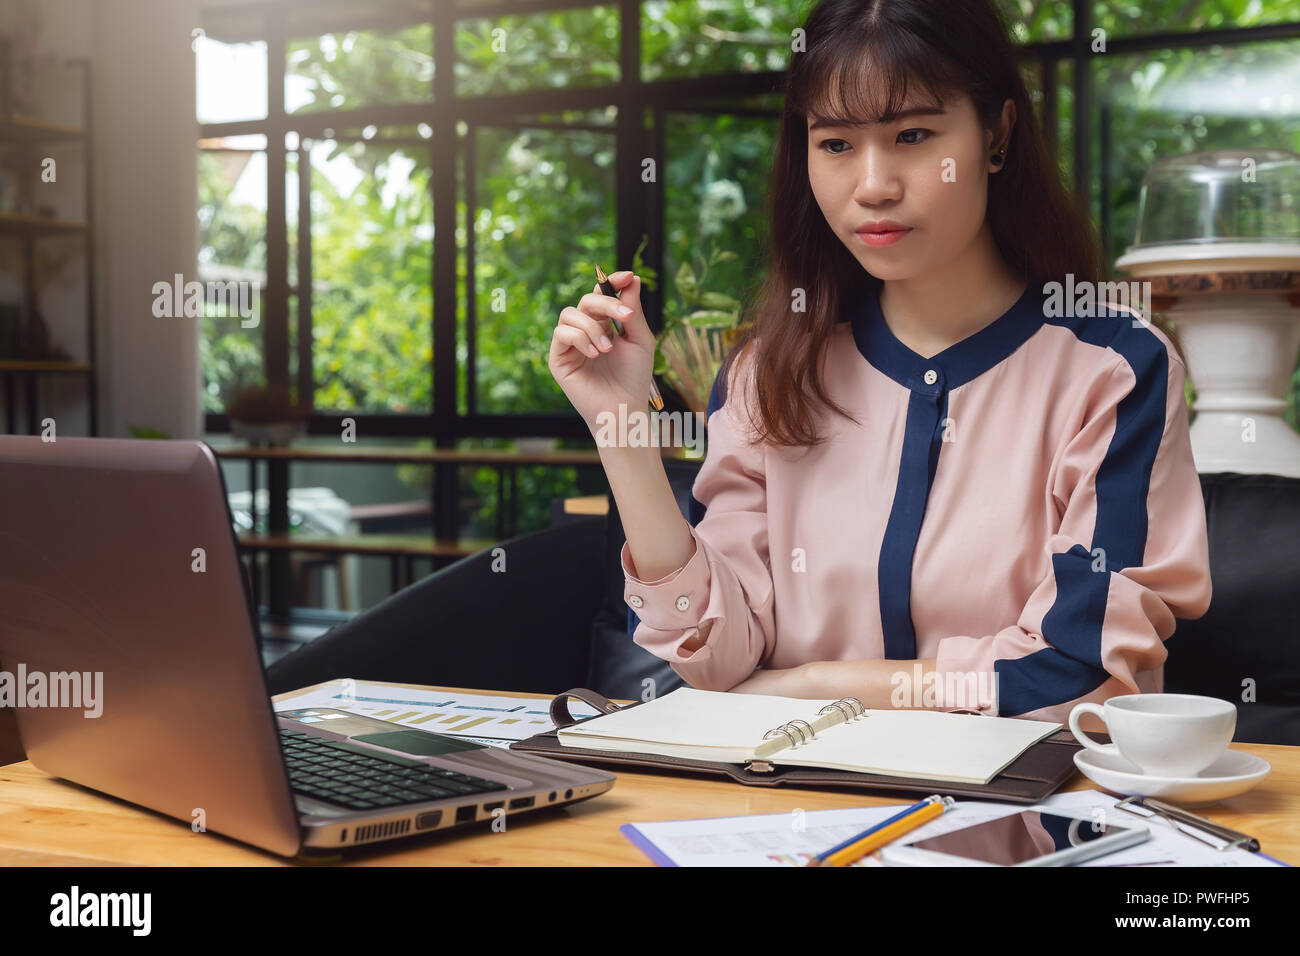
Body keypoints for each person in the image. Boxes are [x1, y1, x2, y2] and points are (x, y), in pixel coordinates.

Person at [547, 0, 1212, 724]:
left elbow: (1079, 674)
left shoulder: (1111, 369)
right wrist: (624, 432)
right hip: (779, 818)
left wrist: (812, 686)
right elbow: (714, 653)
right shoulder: (763, 376)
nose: (873, 186)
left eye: (914, 135)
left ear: (997, 134)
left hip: (1019, 820)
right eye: (835, 144)